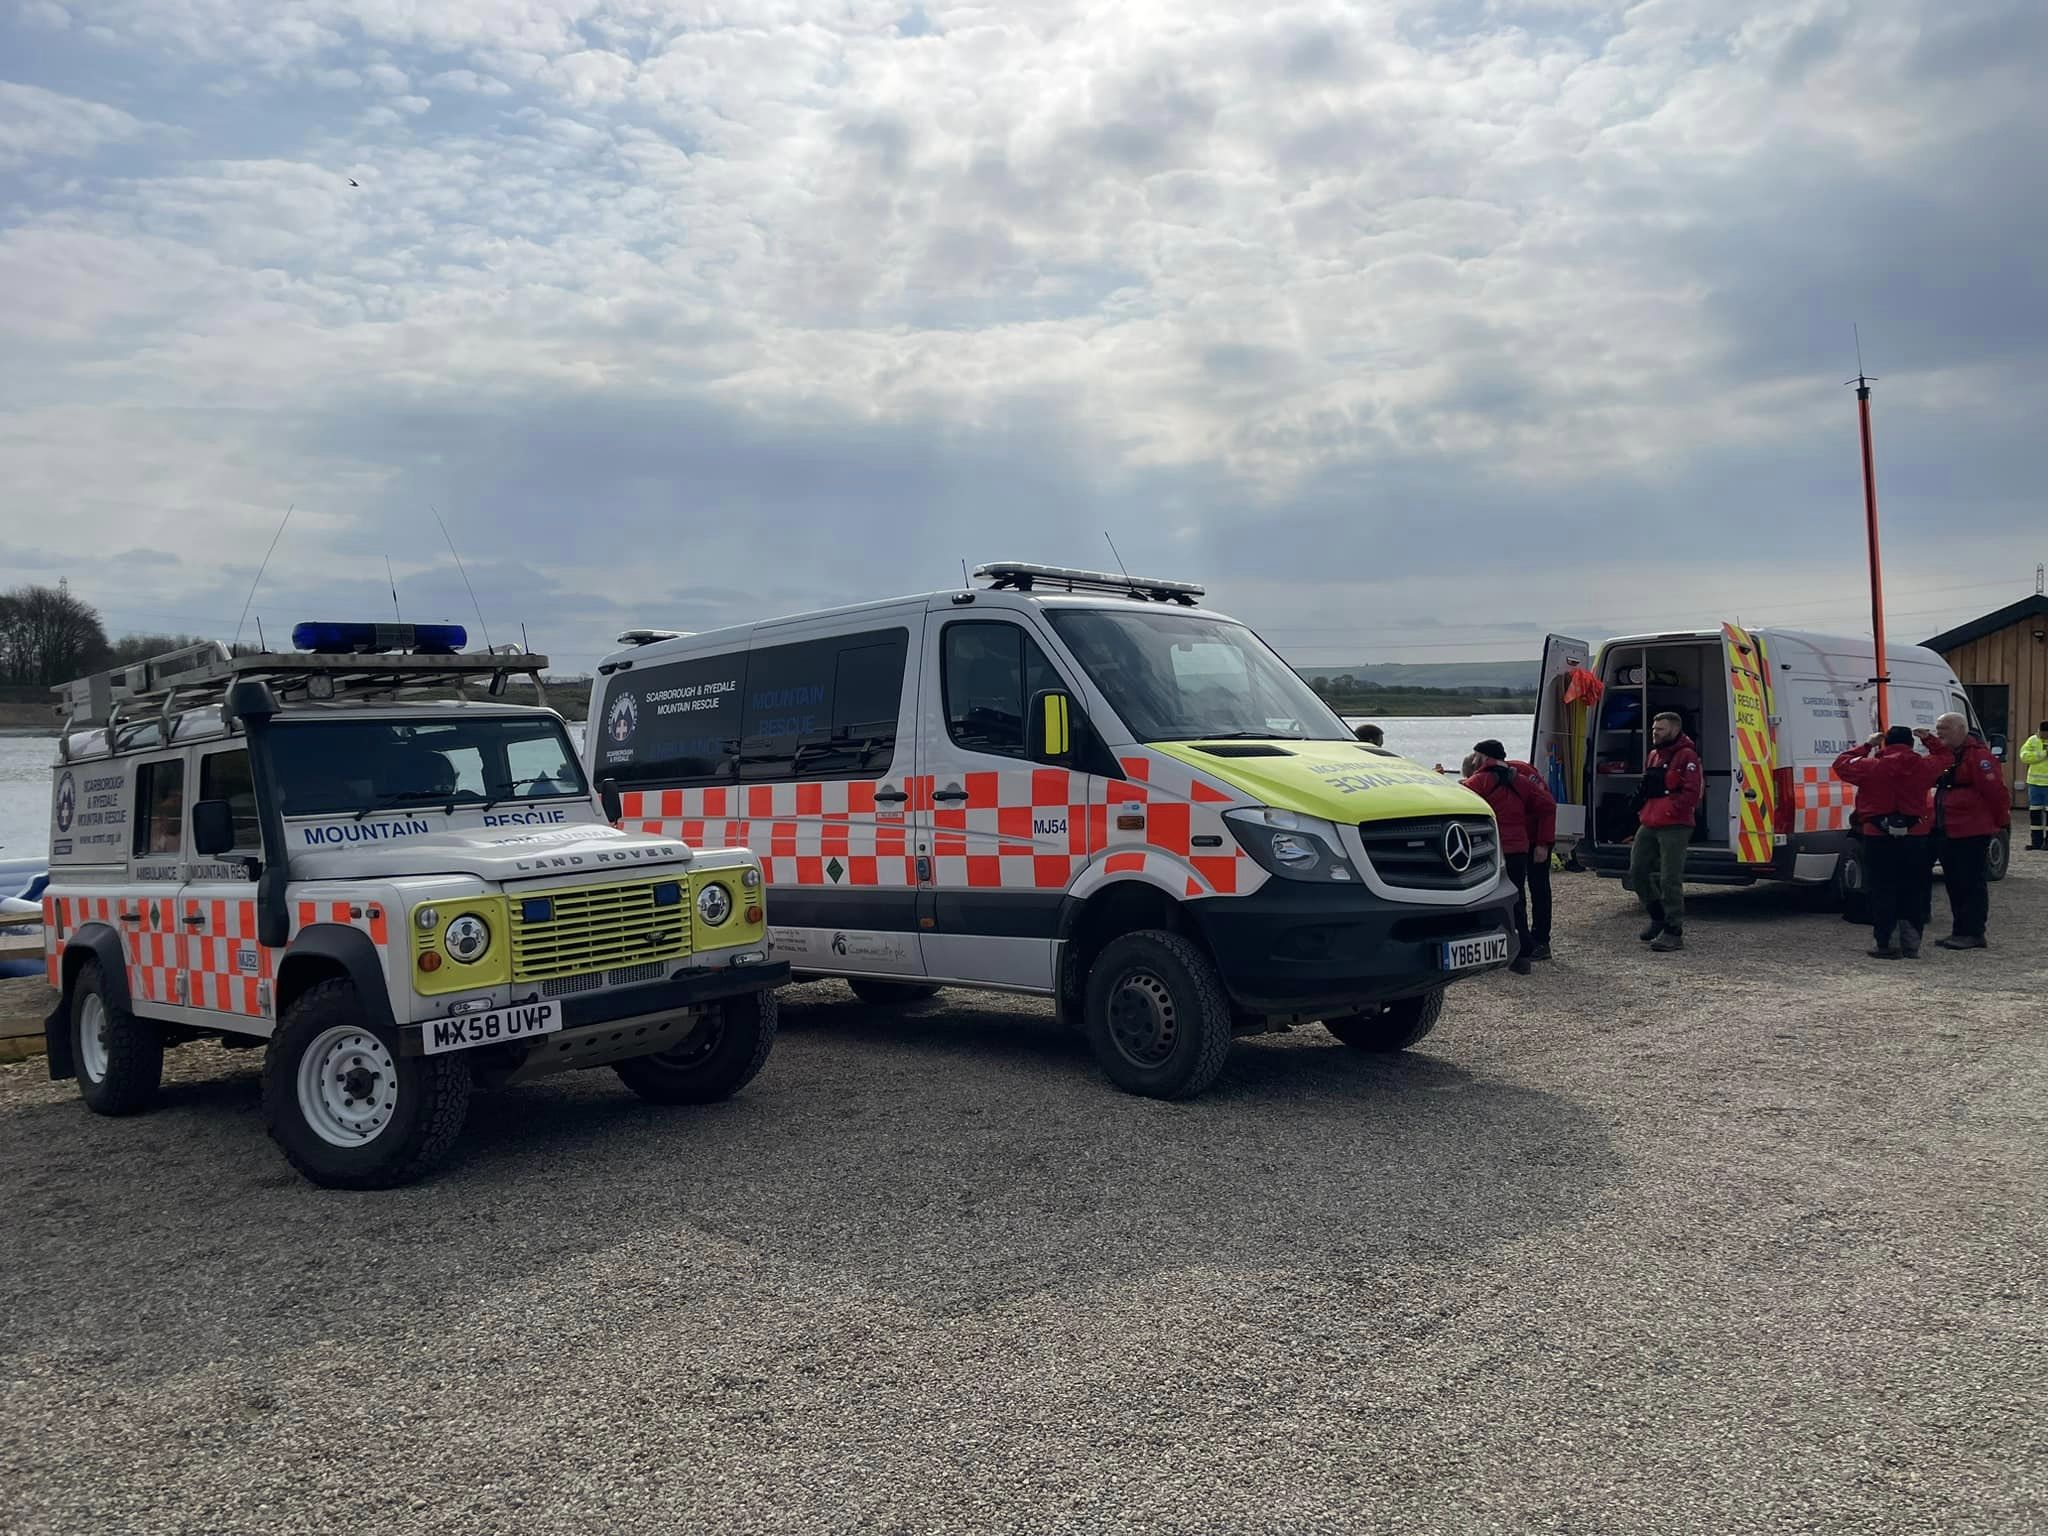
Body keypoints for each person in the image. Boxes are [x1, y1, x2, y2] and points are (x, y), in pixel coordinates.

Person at [1832, 727, 1944, 959]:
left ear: (1884, 744)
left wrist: (1867, 745)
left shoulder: (1870, 766)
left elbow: (1841, 763)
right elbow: (1946, 758)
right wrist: (1930, 739)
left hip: (1877, 835)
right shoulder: (1923, 766)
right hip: (1916, 835)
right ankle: (1911, 943)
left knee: (1882, 888)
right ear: (1912, 745)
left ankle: (1885, 942)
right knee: (1913, 888)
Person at [1466, 738, 1557, 966]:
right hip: (1521, 844)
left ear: (1483, 758)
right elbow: (1547, 805)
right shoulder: (1522, 778)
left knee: (1490, 896)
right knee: (1521, 896)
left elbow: (1458, 800)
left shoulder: (1479, 781)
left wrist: (1542, 843)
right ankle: (1528, 944)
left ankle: (1505, 945)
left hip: (1497, 848)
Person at [1924, 712, 2009, 950]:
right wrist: (1928, 739)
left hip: (1970, 830)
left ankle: (1972, 932)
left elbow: (1995, 792)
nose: (1939, 733)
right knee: (1954, 882)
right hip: (1949, 828)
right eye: (1938, 728)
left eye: (1944, 729)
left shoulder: (1979, 757)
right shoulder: (1953, 754)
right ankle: (1960, 930)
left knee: (1970, 883)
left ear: (1961, 729)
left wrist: (2000, 821)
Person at [1630, 711, 1702, 952]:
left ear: (1673, 729)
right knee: (1637, 871)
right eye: (1654, 728)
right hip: (1650, 821)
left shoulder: (1687, 756)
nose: (1655, 732)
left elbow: (1692, 793)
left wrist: (1672, 808)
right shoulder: (1653, 755)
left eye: (1660, 729)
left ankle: (1673, 930)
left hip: (1675, 825)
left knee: (1669, 877)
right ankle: (1657, 916)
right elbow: (1648, 785)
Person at [2022, 720, 2048, 852]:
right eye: (2043, 733)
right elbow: (2024, 756)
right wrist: (2042, 755)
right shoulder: (2032, 740)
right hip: (2034, 783)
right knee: (2035, 814)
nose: (2044, 736)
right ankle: (2036, 842)